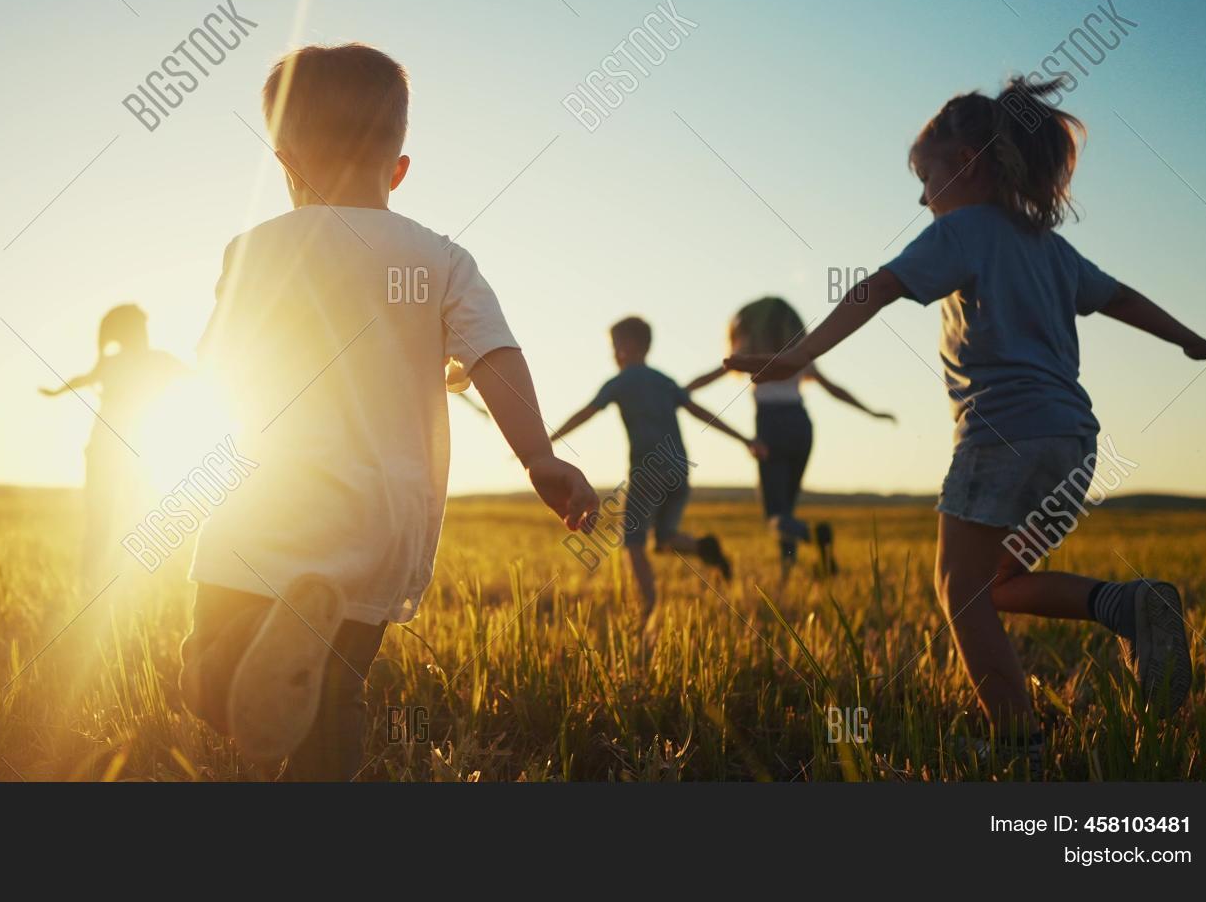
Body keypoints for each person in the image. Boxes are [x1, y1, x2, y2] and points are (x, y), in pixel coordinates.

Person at [726, 77, 1206, 777]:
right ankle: (1125, 604)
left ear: (967, 162)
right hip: (1073, 443)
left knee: (958, 593)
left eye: (926, 176)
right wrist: (1191, 339)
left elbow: (877, 286)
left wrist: (799, 352)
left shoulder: (959, 231)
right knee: (998, 583)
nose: (922, 197)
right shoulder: (1048, 246)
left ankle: (1016, 741)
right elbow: (1122, 298)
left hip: (1001, 436)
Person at [181, 43, 599, 780]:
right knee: (338, 693)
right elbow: (496, 354)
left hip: (263, 507)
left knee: (207, 671)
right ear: (399, 167)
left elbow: (218, 364)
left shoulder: (256, 249)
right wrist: (539, 455)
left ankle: (244, 666)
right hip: (375, 524)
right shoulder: (438, 258)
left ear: (284, 162)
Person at [551, 316, 761, 629]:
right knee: (663, 539)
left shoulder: (620, 382)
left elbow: (586, 412)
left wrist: (546, 441)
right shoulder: (665, 381)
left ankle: (648, 614)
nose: (613, 354)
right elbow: (702, 412)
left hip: (649, 470)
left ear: (631, 346)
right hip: (679, 469)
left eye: (615, 346)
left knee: (633, 543)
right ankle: (706, 548)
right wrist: (744, 439)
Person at [687, 297, 895, 578]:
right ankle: (789, 571)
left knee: (775, 516)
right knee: (787, 509)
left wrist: (676, 392)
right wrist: (871, 412)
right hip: (801, 425)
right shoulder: (798, 354)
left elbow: (710, 375)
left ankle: (812, 535)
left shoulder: (749, 353)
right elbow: (834, 389)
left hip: (771, 426)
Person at [39, 304, 186, 587]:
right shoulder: (139, 362)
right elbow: (81, 380)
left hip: (131, 452)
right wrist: (56, 391)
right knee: (105, 518)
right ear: (126, 332)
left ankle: (116, 585)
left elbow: (200, 374)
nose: (145, 332)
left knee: (122, 518)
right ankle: (97, 585)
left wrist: (56, 391)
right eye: (139, 326)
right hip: (113, 452)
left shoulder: (149, 361)